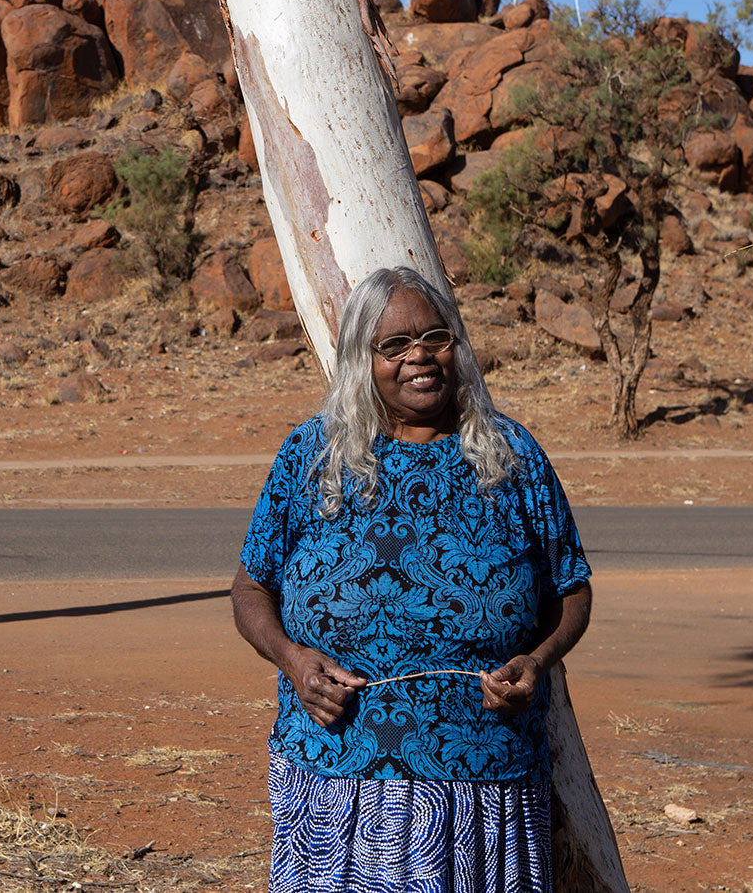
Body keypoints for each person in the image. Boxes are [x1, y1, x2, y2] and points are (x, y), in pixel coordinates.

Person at [233, 265, 593, 893]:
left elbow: (572, 588)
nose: (419, 356)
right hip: (336, 775)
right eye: (393, 345)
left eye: (435, 337)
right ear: (359, 360)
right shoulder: (311, 457)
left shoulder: (510, 454)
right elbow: (251, 586)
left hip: (485, 778)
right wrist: (292, 660)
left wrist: (538, 661)